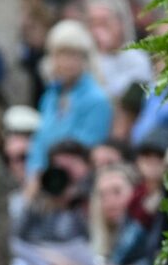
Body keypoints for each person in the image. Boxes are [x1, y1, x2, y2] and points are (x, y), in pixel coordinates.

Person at [26, 20, 112, 178]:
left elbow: (83, 147)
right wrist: (34, 171)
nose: (66, 62)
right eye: (61, 54)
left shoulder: (97, 99)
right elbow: (39, 140)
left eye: (73, 55)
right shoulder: (49, 96)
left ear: (84, 59)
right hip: (44, 177)